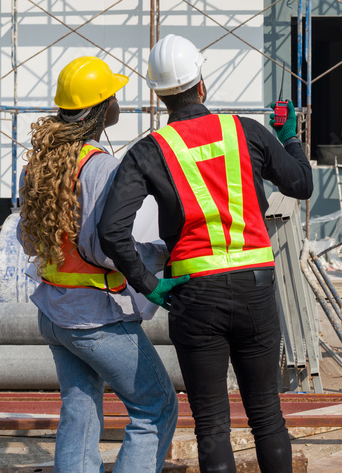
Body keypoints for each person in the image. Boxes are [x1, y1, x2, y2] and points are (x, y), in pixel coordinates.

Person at [98, 34, 313, 473]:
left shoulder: (149, 150)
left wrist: (150, 286)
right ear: (202, 84)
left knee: (212, 426)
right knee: (267, 417)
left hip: (194, 296)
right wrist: (290, 139)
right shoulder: (246, 131)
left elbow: (111, 230)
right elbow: (301, 185)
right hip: (255, 290)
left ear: (160, 96)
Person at [18, 55, 179, 473]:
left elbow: (27, 238)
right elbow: (109, 246)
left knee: (81, 409)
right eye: (113, 95)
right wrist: (160, 254)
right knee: (155, 408)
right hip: (97, 318)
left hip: (55, 312)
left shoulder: (40, 165)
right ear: (101, 109)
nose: (118, 102)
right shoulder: (101, 167)